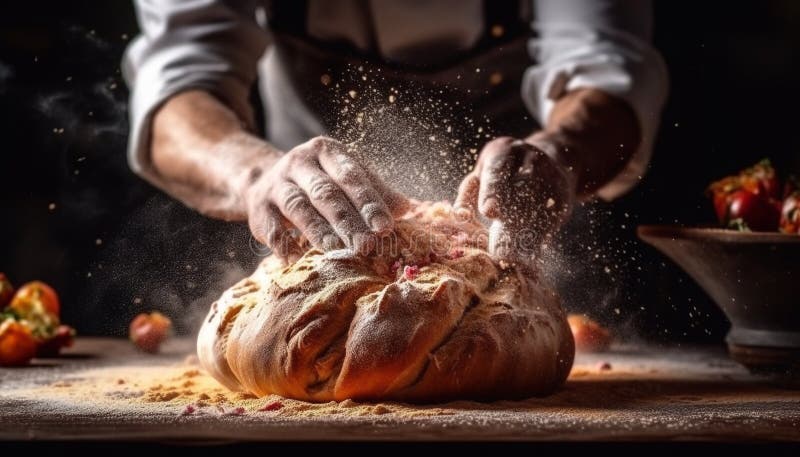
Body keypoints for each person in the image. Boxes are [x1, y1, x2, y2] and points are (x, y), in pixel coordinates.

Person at [123, 0, 667, 262]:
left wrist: (559, 153)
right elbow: (178, 83)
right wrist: (256, 174)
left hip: (525, 239)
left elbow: (604, 61)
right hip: (317, 233)